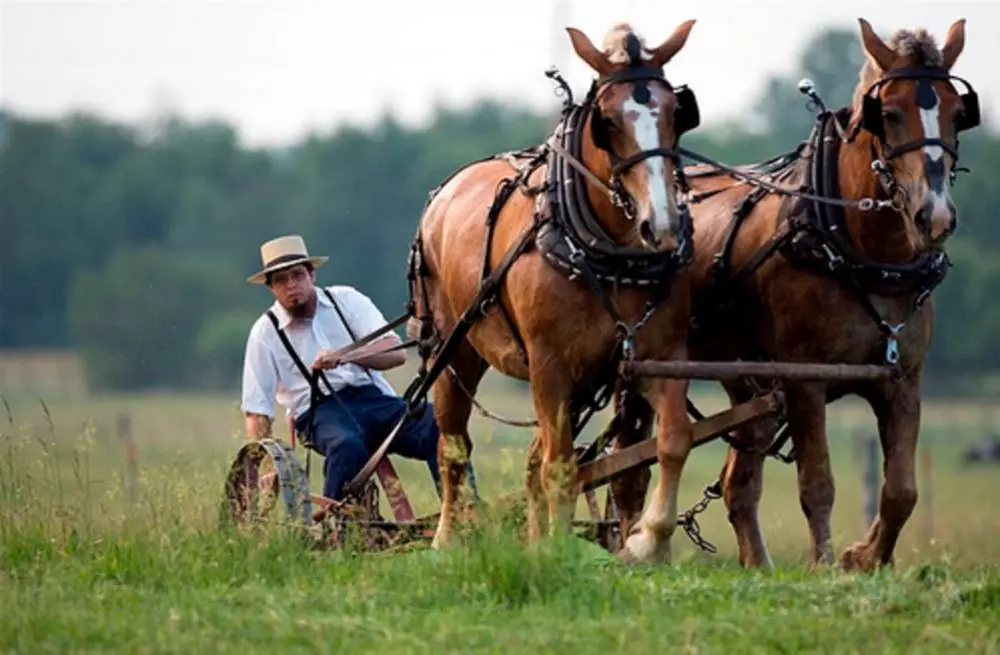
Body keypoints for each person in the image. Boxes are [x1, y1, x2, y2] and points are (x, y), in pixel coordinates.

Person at [240, 234, 443, 502]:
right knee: (347, 444)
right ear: (271, 288)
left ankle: (461, 509)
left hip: (373, 399)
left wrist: (346, 356)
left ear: (311, 275)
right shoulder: (264, 333)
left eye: (297, 275)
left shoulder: (346, 300)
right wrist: (266, 466)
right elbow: (257, 411)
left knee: (438, 422)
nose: (291, 286)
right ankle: (339, 530)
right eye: (280, 280)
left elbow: (396, 354)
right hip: (317, 413)